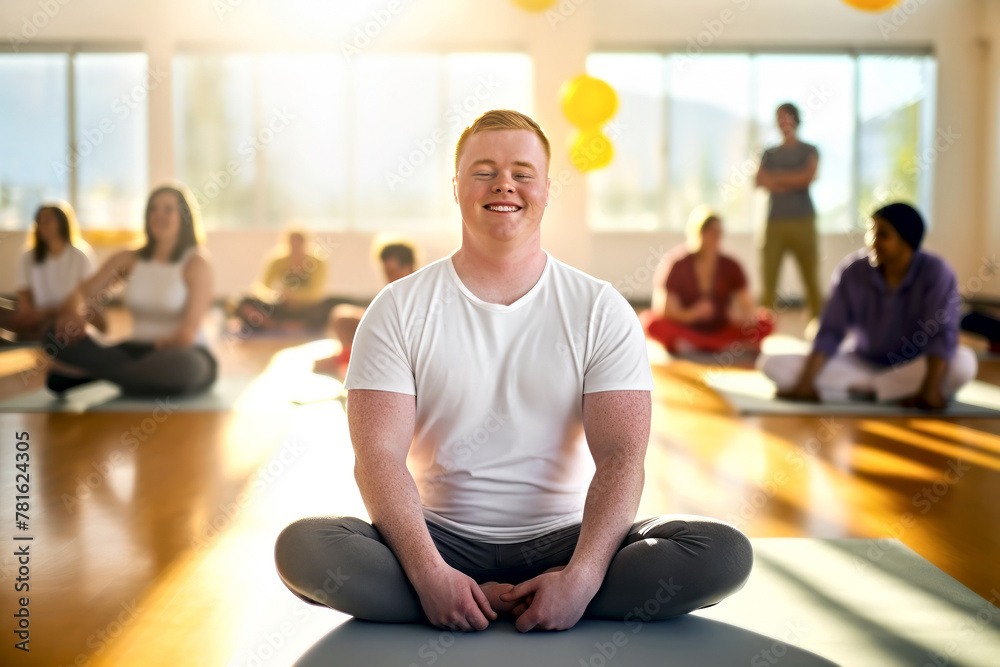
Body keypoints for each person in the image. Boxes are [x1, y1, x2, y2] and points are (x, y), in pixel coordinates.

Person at [274, 110, 752, 633]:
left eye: (523, 172)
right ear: (456, 187)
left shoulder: (600, 308)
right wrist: (430, 572)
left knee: (721, 554)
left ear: (547, 188)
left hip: (568, 539)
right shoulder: (396, 309)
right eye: (484, 171)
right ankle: (453, 593)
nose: (505, 183)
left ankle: (546, 595)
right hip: (437, 538)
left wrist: (583, 575)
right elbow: (378, 458)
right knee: (302, 547)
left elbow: (622, 456)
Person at [760, 202, 977, 410]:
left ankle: (882, 389)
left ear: (907, 242)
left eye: (883, 234)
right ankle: (885, 390)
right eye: (870, 232)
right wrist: (805, 384)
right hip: (860, 362)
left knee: (964, 364)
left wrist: (930, 388)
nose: (872, 240)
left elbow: (942, 335)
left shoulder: (936, 272)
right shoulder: (853, 271)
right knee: (771, 364)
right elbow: (830, 331)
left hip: (915, 366)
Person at [45, 185, 217, 397]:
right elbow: (82, 292)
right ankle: (132, 376)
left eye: (168, 209)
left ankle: (91, 376)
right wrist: (72, 314)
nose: (159, 215)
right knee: (54, 334)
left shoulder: (196, 263)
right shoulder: (129, 259)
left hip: (181, 353)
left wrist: (159, 347)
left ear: (184, 216)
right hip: (133, 351)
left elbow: (187, 333)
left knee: (183, 368)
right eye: (153, 209)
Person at [639, 205, 773, 356]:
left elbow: (748, 309)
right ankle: (723, 346)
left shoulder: (731, 265)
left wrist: (736, 318)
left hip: (722, 329)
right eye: (708, 231)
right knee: (649, 323)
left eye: (718, 232)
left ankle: (700, 346)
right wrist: (692, 314)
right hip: (686, 328)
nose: (714, 237)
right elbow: (662, 310)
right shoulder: (677, 264)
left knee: (766, 322)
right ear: (697, 232)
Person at [755, 102, 823, 322]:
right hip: (774, 222)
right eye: (779, 118)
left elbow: (807, 177)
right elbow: (759, 180)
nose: (782, 123)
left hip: (803, 220)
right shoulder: (769, 152)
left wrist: (777, 178)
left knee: (810, 275)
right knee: (768, 277)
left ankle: (817, 322)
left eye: (786, 117)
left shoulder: (809, 150)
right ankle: (764, 324)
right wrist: (793, 178)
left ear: (796, 119)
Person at [312, 241, 417, 377]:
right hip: (384, 338)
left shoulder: (417, 291)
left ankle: (346, 360)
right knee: (342, 317)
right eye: (385, 272)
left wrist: (338, 360)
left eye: (392, 271)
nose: (388, 277)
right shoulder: (395, 290)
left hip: (398, 348)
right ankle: (347, 359)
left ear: (409, 267)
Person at [0, 202, 101, 341]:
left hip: (67, 316)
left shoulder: (80, 255)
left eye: (47, 219)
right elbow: (23, 292)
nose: (42, 224)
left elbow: (86, 298)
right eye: (39, 220)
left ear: (62, 223)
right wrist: (27, 311)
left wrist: (47, 313)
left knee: (58, 329)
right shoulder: (28, 256)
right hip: (36, 317)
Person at [233, 230, 332, 333]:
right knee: (243, 301)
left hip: (307, 307)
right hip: (281, 305)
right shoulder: (277, 259)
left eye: (299, 242)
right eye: (292, 241)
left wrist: (293, 296)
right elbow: (261, 287)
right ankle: (276, 324)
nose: (295, 245)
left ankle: (291, 325)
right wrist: (275, 295)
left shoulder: (318, 261)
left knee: (329, 307)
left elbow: (317, 293)